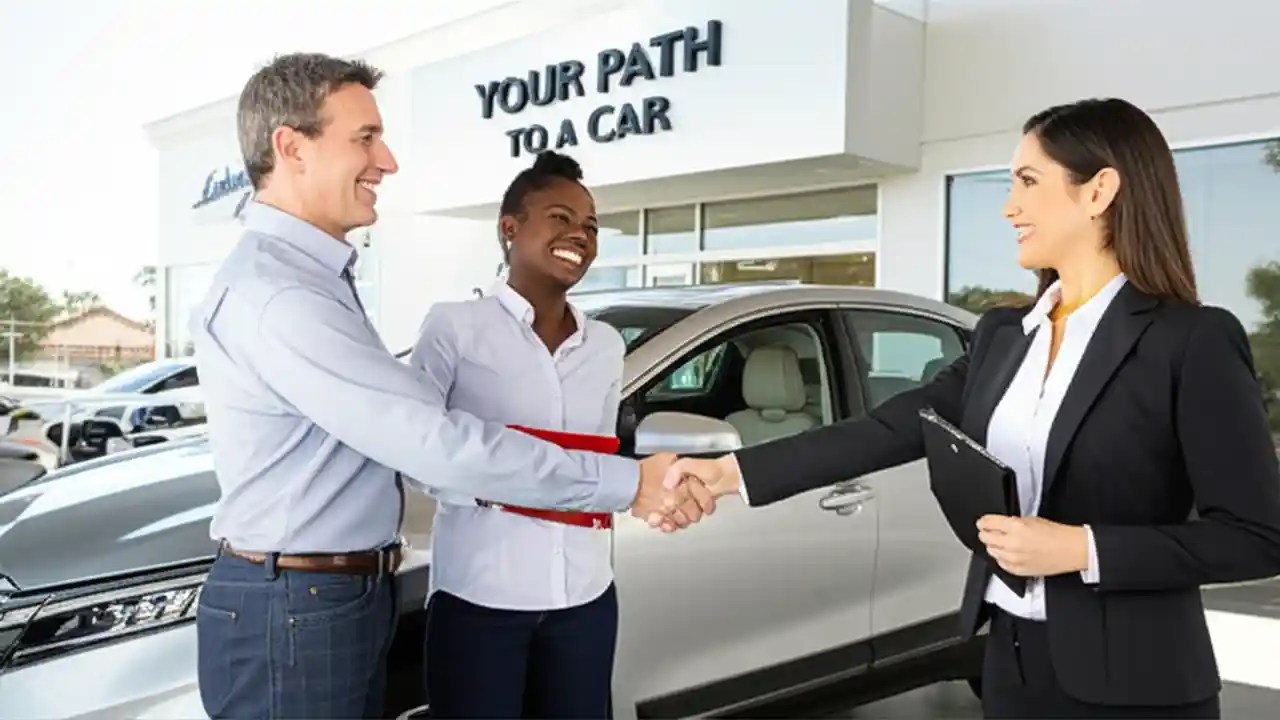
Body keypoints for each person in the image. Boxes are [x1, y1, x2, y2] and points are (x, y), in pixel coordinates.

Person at [664, 97, 1280, 718]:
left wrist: (1082, 549)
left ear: (1099, 192)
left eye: (1028, 181)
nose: (1009, 205)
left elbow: (1257, 537)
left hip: (1138, 687)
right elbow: (888, 428)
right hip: (1011, 658)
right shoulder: (1004, 335)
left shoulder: (1189, 340)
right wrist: (729, 475)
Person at [189, 53, 701, 720]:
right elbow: (435, 444)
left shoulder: (310, 278)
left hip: (326, 599)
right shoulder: (280, 293)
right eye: (365, 138)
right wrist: (633, 483)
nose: (388, 161)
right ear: (292, 147)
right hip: (299, 605)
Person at [409, 150, 652, 718]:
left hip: (585, 598)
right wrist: (499, 480)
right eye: (561, 218)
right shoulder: (454, 328)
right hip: (480, 598)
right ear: (510, 227)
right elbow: (416, 455)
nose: (580, 236)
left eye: (590, 226)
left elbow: (591, 463)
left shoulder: (606, 345)